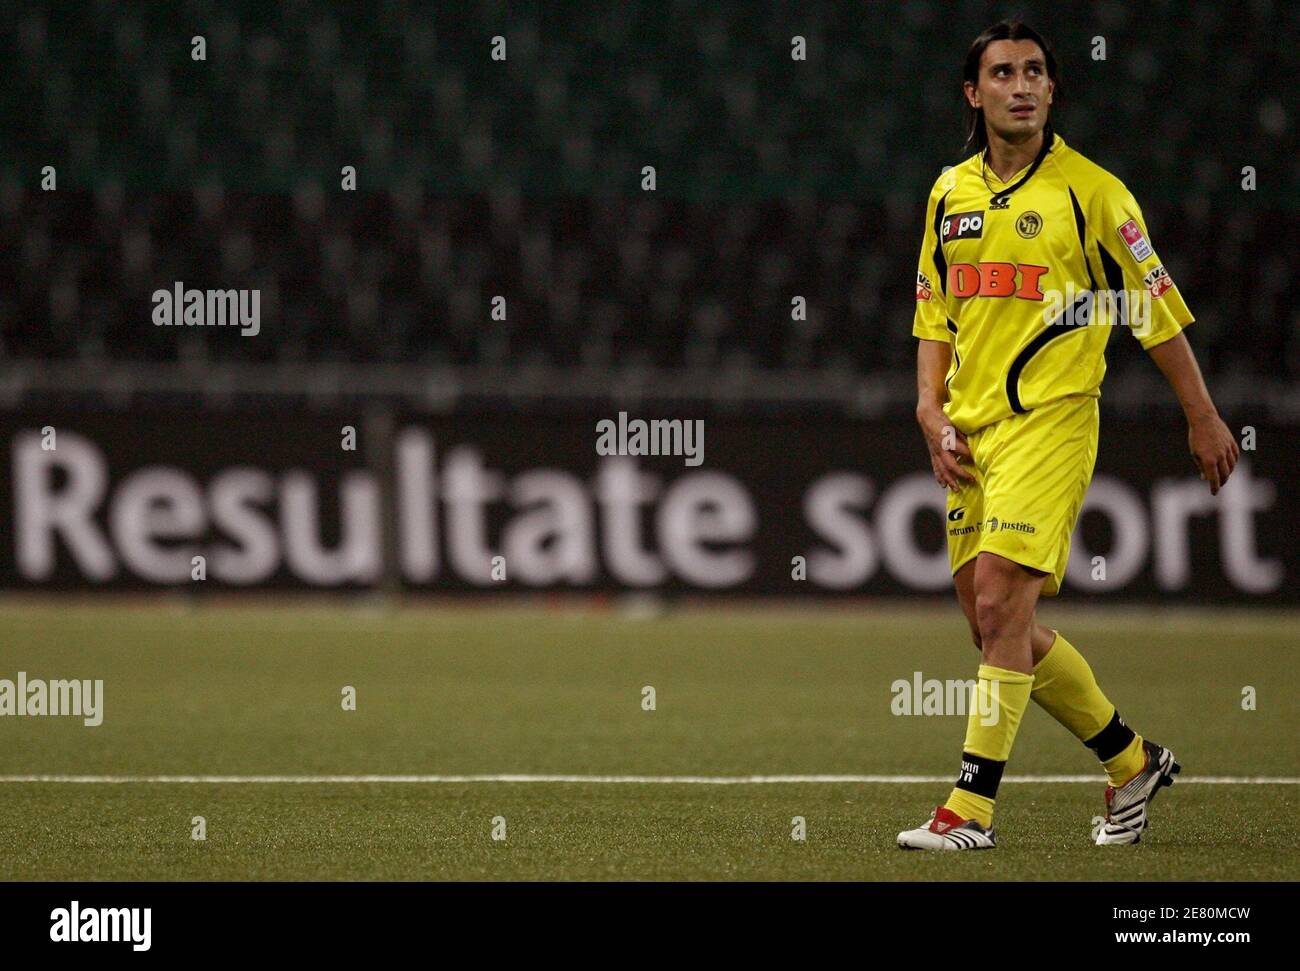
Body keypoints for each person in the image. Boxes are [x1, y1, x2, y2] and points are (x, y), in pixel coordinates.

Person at [897, 21, 1239, 850]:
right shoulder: (950, 193)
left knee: (998, 599)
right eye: (1003, 73)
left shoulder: (1095, 193)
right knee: (992, 628)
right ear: (974, 94)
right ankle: (1132, 759)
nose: (1022, 85)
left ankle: (969, 809)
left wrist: (1202, 413)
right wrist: (929, 409)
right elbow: (933, 310)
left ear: (1053, 89)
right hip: (969, 434)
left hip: (1051, 423)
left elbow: (1152, 310)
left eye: (1037, 72)